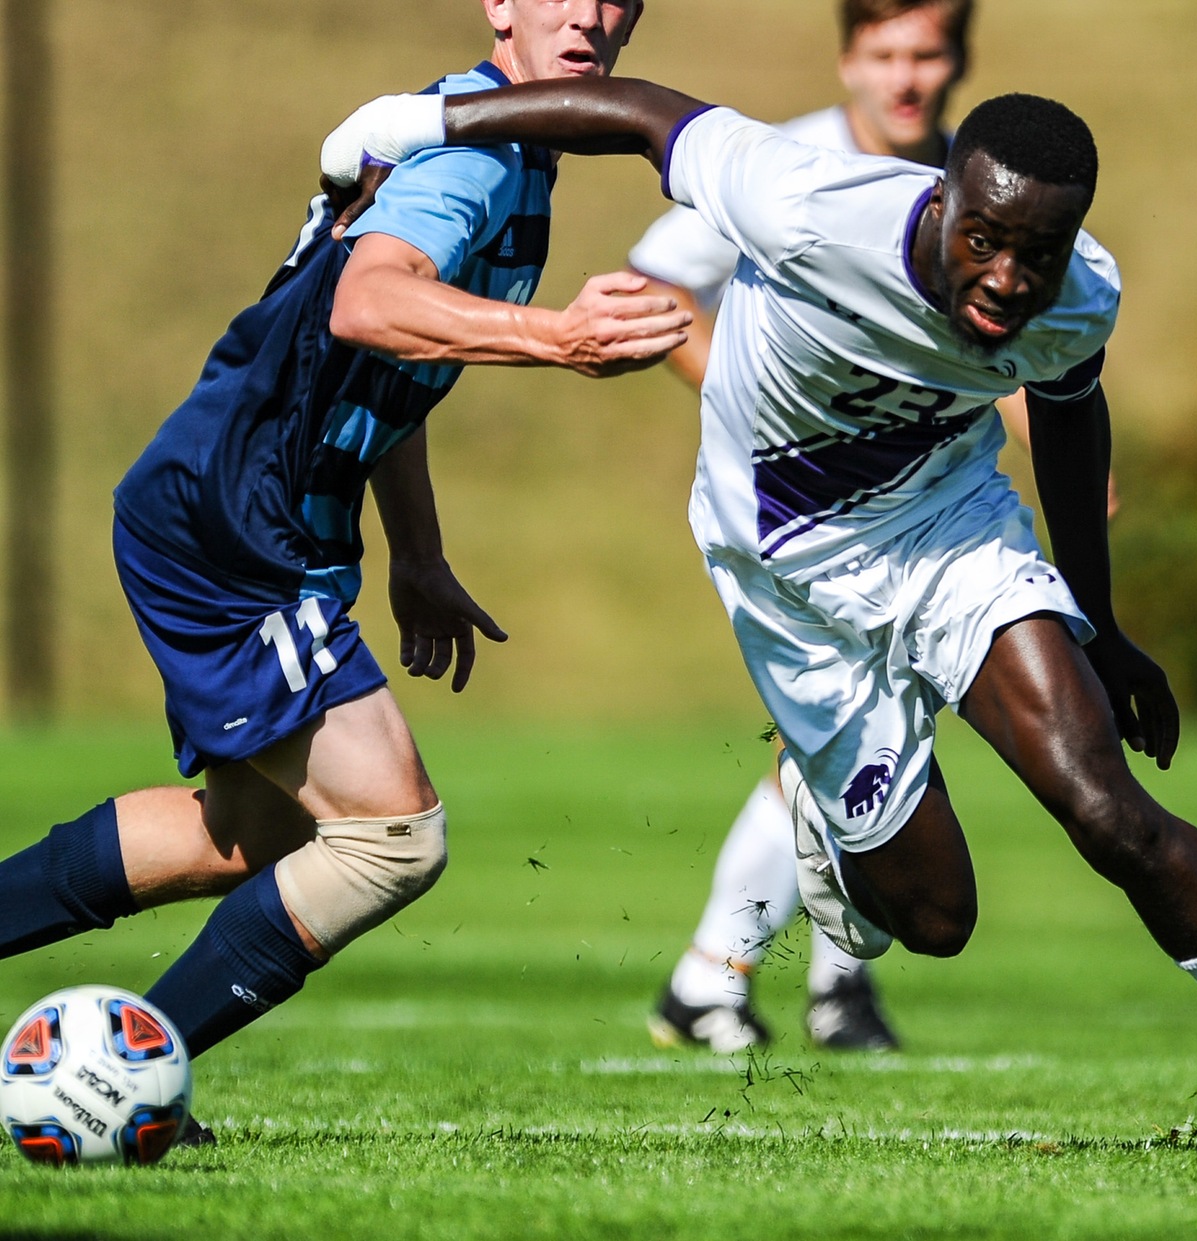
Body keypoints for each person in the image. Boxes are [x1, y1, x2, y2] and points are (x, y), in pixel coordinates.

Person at [320, 74, 1197, 1157]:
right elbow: (638, 113)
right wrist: (417, 121)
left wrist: (1101, 625)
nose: (1006, 279)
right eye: (983, 240)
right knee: (934, 920)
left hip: (949, 533)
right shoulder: (804, 206)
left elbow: (1066, 411)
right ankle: (827, 818)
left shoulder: (1081, 293)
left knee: (1105, 807)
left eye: (1037, 254)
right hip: (785, 579)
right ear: (941, 198)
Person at [0, 0, 687, 1139]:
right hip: (237, 523)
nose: (584, 12)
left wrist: (417, 552)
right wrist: (558, 337)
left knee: (254, 832)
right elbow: (372, 305)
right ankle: (114, 1080)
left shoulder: (494, 147)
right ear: (499, 4)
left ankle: (114, 1062)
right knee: (391, 837)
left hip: (243, 507)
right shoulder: (472, 159)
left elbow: (387, 364)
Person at [630, 0, 978, 1057]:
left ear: (958, 59)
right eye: (883, 53)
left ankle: (824, 983)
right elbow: (654, 277)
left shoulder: (971, 181)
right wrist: (752, 404)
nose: (905, 76)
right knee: (839, 732)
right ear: (846, 60)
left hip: (915, 505)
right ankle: (717, 974)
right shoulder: (793, 166)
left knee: (879, 732)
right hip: (796, 511)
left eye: (926, 52)